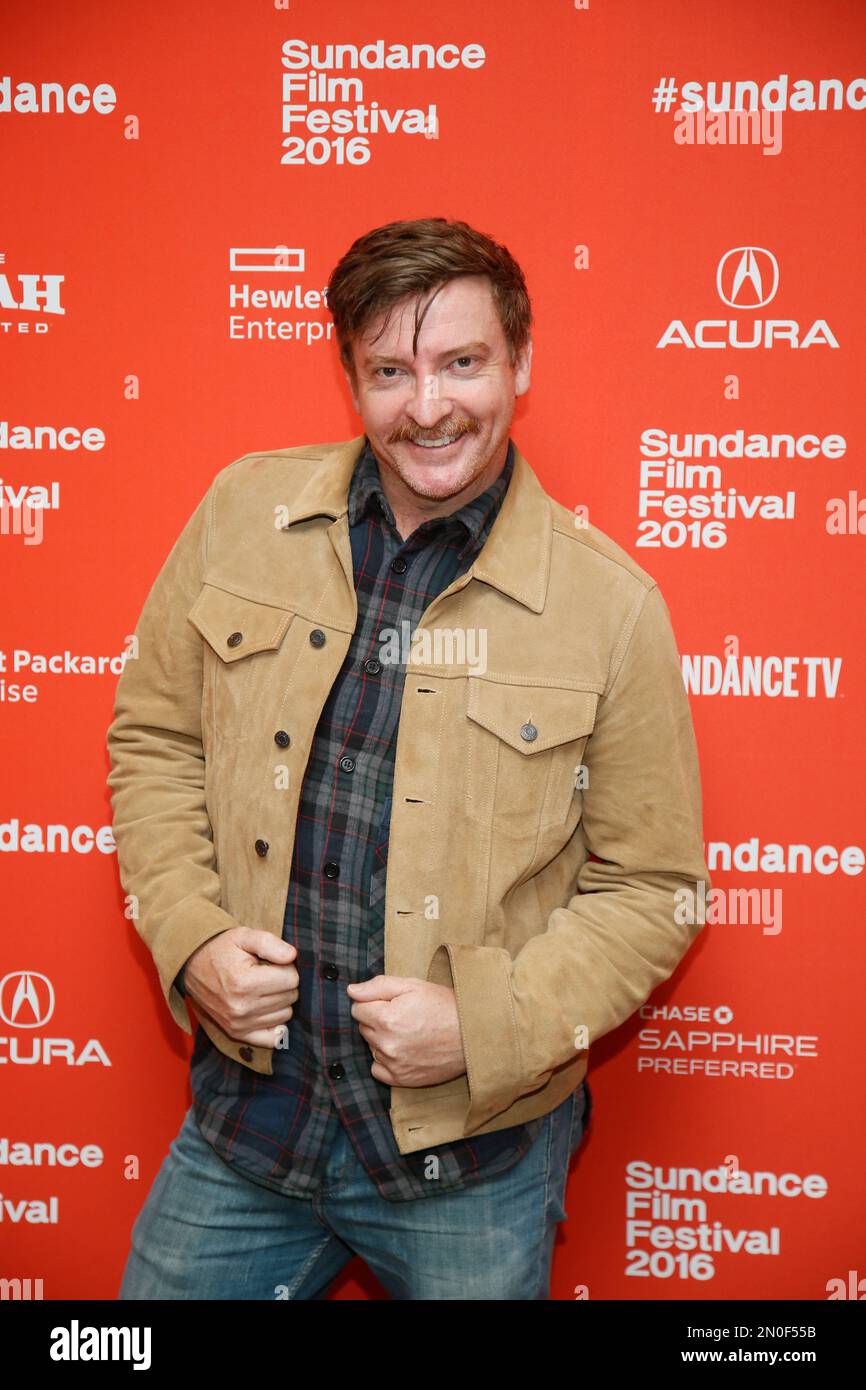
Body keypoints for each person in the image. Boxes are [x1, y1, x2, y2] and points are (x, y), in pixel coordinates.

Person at [107, 216, 710, 1301]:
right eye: (389, 369)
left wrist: (485, 1028)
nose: (426, 405)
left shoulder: (609, 606)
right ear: (350, 377)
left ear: (520, 364)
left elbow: (650, 887)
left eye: (461, 362)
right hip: (250, 1125)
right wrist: (189, 937)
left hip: (468, 1162)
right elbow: (155, 740)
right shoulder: (242, 511)